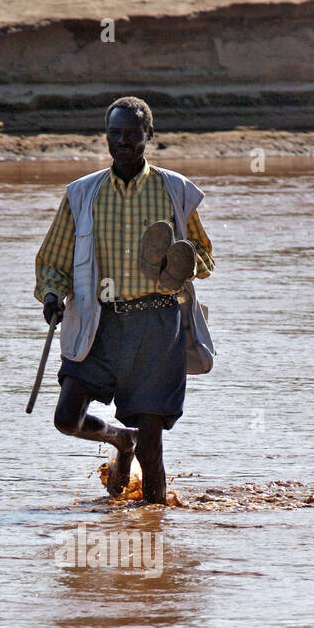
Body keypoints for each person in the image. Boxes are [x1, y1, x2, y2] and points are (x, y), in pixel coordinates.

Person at [34, 96, 215, 504]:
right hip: (99, 323)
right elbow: (54, 261)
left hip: (157, 327)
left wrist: (181, 264)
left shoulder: (175, 191)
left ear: (148, 136)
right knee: (67, 419)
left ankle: (156, 536)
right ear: (107, 137)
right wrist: (51, 295)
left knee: (153, 450)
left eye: (132, 135)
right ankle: (120, 440)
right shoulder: (83, 194)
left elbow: (204, 255)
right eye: (115, 134)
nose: (123, 143)